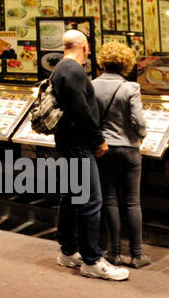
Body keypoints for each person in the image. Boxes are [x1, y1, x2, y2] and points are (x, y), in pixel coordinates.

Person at [51, 29, 129, 281]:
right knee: (90, 201)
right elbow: (81, 111)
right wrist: (98, 140)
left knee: (72, 197)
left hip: (69, 143)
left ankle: (68, 251)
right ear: (84, 47)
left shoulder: (59, 70)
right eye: (88, 49)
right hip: (79, 145)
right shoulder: (73, 72)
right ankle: (92, 260)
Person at [93, 42, 149, 268]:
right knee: (133, 202)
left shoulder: (92, 85)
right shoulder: (130, 88)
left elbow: (92, 118)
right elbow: (138, 120)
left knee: (111, 200)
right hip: (129, 149)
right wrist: (142, 134)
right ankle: (136, 255)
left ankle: (113, 252)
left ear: (102, 61)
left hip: (105, 148)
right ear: (126, 62)